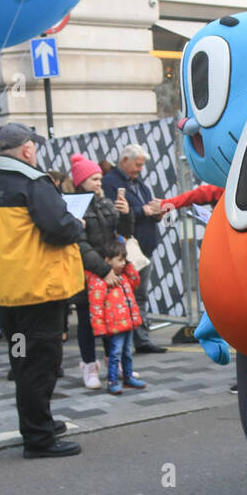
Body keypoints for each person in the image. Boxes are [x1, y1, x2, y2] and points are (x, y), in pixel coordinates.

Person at [0, 123, 85, 459]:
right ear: (27, 150)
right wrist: (77, 223)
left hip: (5, 291)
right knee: (41, 364)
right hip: (39, 289)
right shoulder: (33, 182)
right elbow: (60, 227)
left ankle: (39, 423)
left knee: (22, 362)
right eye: (34, 145)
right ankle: (38, 438)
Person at [69, 152, 133, 389]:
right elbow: (80, 245)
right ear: (81, 182)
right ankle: (89, 365)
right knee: (86, 322)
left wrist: (126, 215)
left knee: (111, 319)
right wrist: (105, 269)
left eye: (99, 178)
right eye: (94, 179)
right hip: (85, 275)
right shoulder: (72, 206)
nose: (99, 182)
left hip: (108, 273)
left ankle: (112, 362)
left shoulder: (107, 204)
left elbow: (122, 236)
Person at [103, 143, 170, 353]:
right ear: (124, 160)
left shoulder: (139, 183)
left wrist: (157, 213)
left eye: (142, 165)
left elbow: (145, 209)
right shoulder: (110, 182)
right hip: (127, 249)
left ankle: (140, 339)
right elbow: (116, 214)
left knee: (140, 295)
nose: (140, 169)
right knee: (126, 295)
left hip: (143, 248)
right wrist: (144, 211)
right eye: (137, 164)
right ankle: (128, 340)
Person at [88, 239, 149, 395]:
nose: (123, 263)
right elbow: (96, 306)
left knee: (127, 353)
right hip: (114, 326)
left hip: (128, 323)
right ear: (107, 261)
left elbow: (136, 281)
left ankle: (127, 377)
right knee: (115, 354)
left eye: (124, 260)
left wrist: (128, 265)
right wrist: (99, 327)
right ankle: (112, 381)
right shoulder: (99, 281)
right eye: (120, 260)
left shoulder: (123, 276)